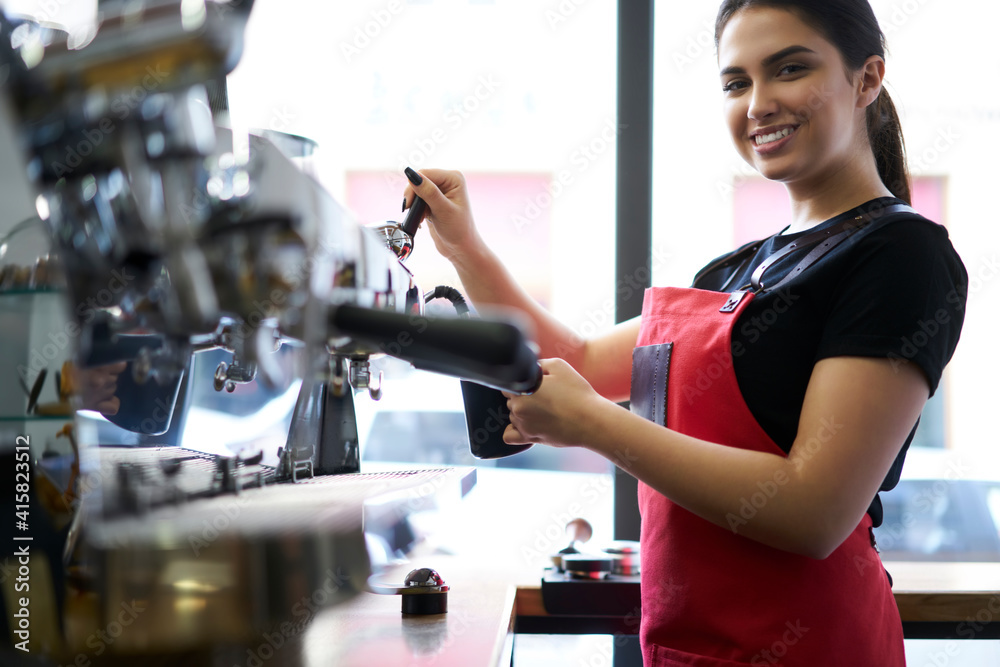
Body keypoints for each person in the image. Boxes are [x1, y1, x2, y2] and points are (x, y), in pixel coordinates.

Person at [401, 0, 967, 663]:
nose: (758, 103)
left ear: (867, 78)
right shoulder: (735, 268)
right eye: (736, 82)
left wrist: (592, 424)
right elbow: (576, 357)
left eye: (789, 68)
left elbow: (815, 508)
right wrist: (464, 243)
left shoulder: (902, 255)